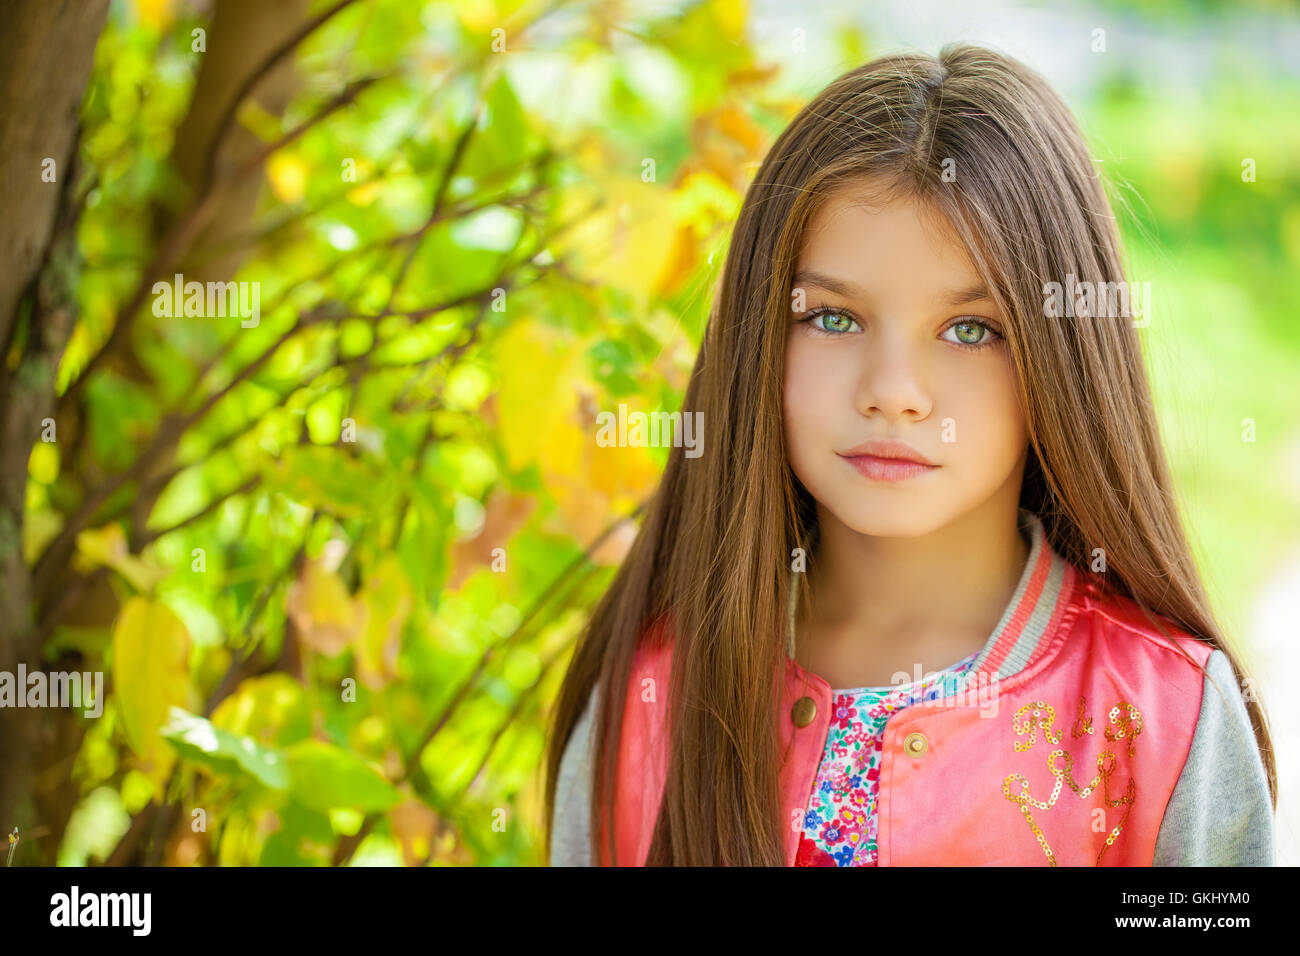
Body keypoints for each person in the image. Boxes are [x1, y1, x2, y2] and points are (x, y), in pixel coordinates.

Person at [543, 44, 1276, 866]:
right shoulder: (650, 698)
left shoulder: (1160, 714)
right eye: (832, 317)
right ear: (757, 335)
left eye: (971, 330)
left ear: (1063, 357)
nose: (894, 391)